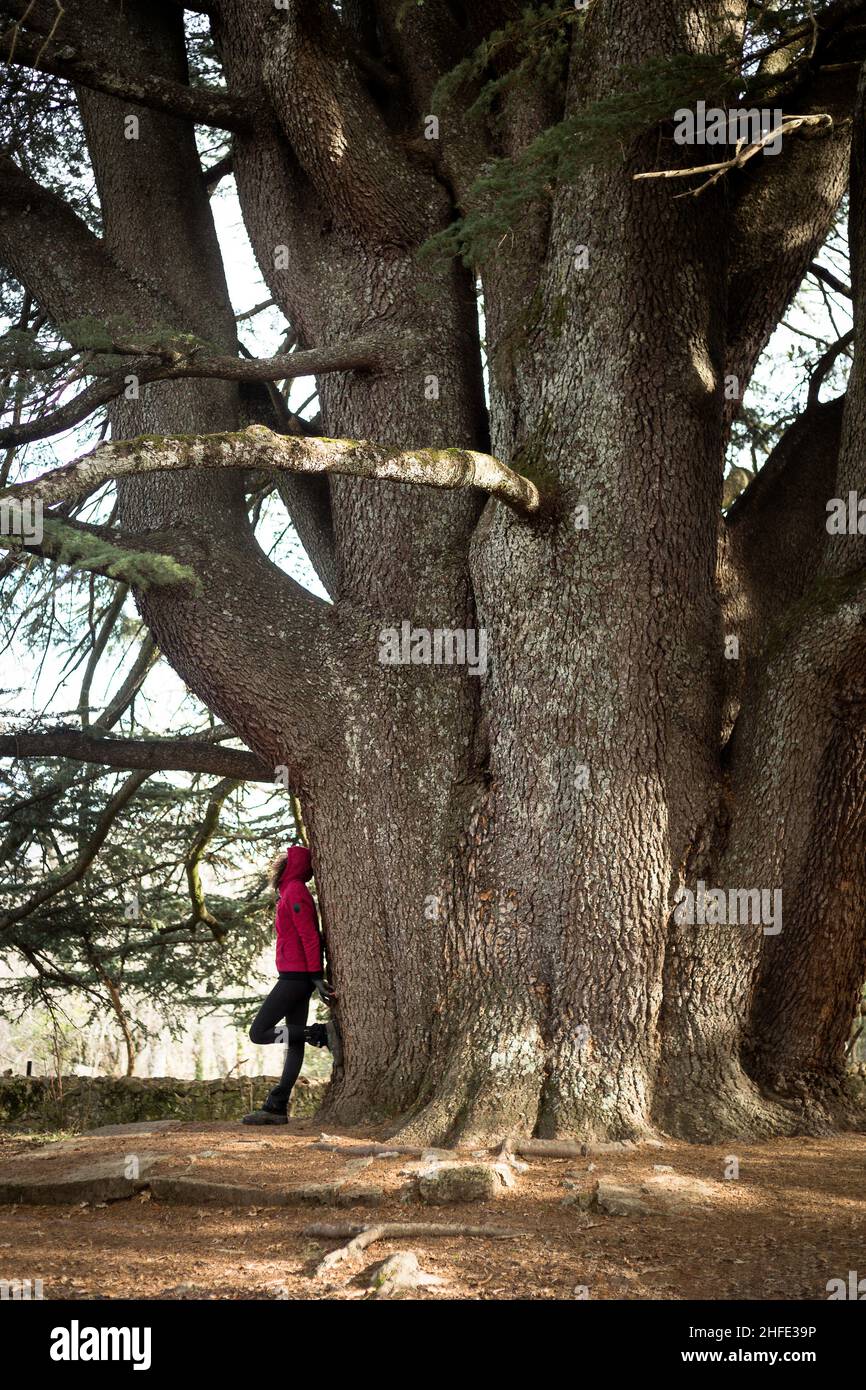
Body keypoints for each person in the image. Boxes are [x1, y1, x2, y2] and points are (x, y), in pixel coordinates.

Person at [242, 843, 336, 1126]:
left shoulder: (295, 890)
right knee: (293, 1042)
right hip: (297, 975)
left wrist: (315, 976)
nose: (281, 860)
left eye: (288, 858)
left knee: (259, 1032)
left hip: (296, 977)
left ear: (293, 864)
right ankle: (278, 1106)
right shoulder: (290, 891)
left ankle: (318, 1033)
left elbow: (310, 935)